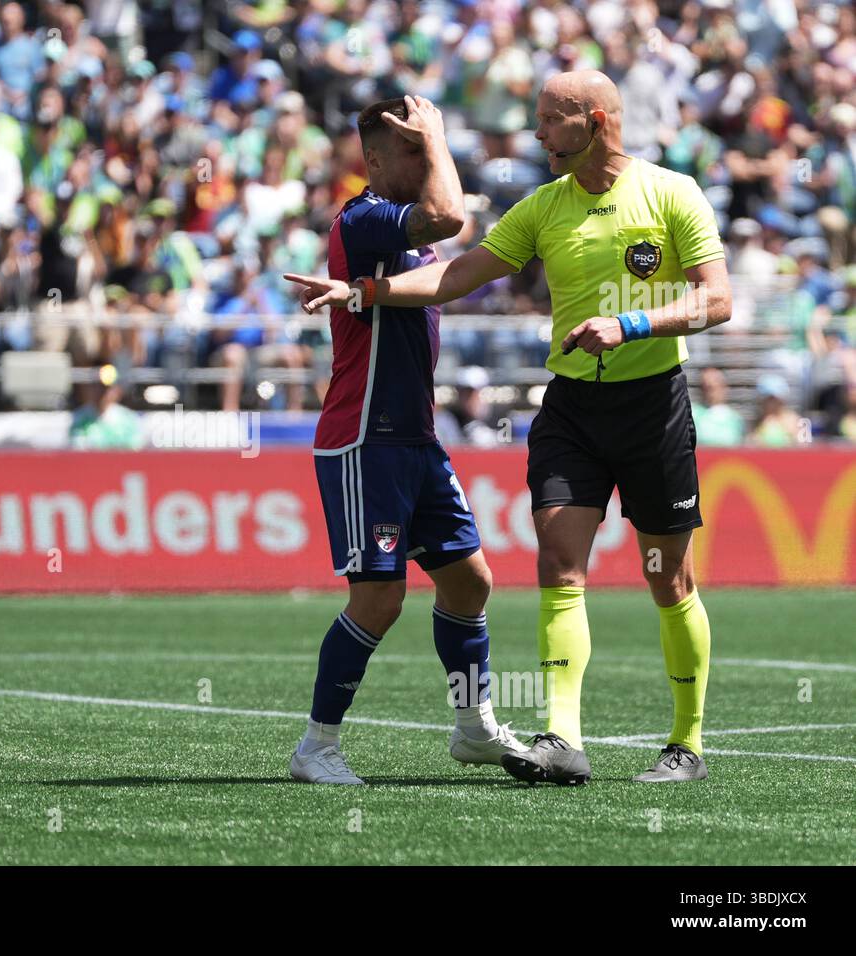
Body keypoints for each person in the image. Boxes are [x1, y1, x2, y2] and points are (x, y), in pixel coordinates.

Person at [287, 71, 733, 786]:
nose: (535, 134)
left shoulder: (673, 192)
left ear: (593, 121)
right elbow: (458, 268)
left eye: (549, 120)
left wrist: (632, 323)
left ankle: (678, 743)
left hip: (650, 407)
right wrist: (362, 291)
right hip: (531, 417)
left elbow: (718, 300)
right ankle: (556, 735)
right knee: (542, 566)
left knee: (512, 583)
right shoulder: (511, 210)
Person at [289, 96, 526, 787]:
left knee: (468, 581)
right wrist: (443, 138)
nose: (426, 163)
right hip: (365, 438)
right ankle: (316, 748)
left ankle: (473, 726)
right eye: (412, 152)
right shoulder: (366, 220)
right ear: (375, 161)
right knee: (379, 600)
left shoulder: (404, 240)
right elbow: (454, 216)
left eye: (427, 152)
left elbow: (452, 241)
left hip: (413, 440)